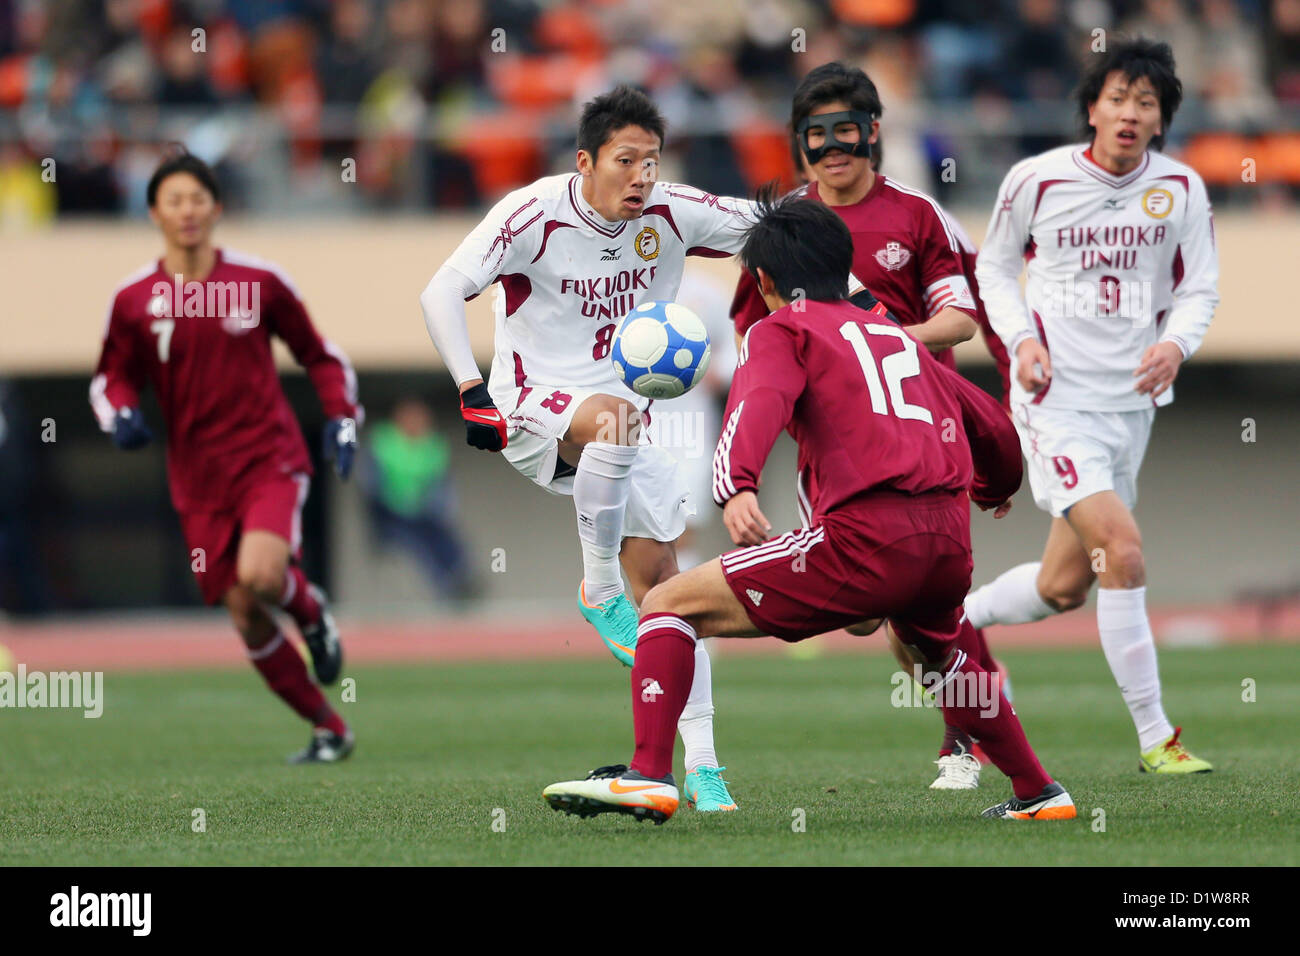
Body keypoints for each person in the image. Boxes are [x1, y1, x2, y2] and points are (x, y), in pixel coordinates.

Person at [543, 192, 1076, 824]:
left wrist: (737, 485)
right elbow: (988, 420)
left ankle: (650, 774)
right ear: (843, 266)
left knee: (666, 604)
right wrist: (995, 487)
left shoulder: (781, 328)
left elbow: (759, 401)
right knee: (940, 659)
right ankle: (1040, 791)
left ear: (763, 280)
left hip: (866, 536)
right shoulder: (897, 335)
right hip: (948, 540)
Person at [420, 86, 757, 811]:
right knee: (612, 419)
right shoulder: (533, 214)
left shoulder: (672, 211)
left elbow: (772, 226)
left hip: (626, 435)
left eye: (652, 161)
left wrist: (847, 265)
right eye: (625, 160)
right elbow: (440, 291)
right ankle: (598, 588)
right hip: (531, 405)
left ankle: (703, 770)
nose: (641, 176)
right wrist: (470, 389)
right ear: (585, 161)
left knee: (671, 597)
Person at [734, 62, 1006, 789]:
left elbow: (961, 319)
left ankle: (963, 740)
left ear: (873, 132)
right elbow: (754, 330)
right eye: (815, 134)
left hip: (921, 434)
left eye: (845, 131)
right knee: (868, 617)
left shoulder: (917, 215)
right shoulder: (783, 224)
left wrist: (882, 341)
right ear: (798, 142)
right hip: (835, 444)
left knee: (926, 609)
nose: (831, 148)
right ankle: (977, 695)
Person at [969, 38, 1216, 774]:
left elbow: (1199, 286)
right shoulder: (1036, 179)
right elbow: (994, 267)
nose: (1130, 113)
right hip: (1055, 401)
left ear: (1161, 119)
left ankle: (959, 617)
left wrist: (1176, 344)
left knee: (1063, 586)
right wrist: (1021, 341)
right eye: (1118, 99)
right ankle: (1157, 738)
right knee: (1125, 552)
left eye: (1146, 102)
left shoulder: (1181, 188)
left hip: (1131, 405)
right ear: (1091, 109)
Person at [90, 150, 360, 764]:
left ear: (216, 208)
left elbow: (319, 354)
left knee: (261, 576)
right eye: (174, 200)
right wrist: (120, 415)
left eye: (198, 198)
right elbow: (111, 376)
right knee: (243, 609)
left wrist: (342, 418)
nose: (187, 210)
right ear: (154, 212)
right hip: (197, 479)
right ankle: (329, 728)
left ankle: (312, 613)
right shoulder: (133, 299)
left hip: (268, 457)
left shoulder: (258, 282)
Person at [360, 397, 476, 602]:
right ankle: (444, 586)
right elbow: (371, 485)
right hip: (390, 515)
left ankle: (461, 580)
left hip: (423, 512)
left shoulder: (433, 444)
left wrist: (439, 508)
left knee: (448, 539)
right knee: (418, 546)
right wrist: (396, 503)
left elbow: (441, 482)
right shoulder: (383, 441)